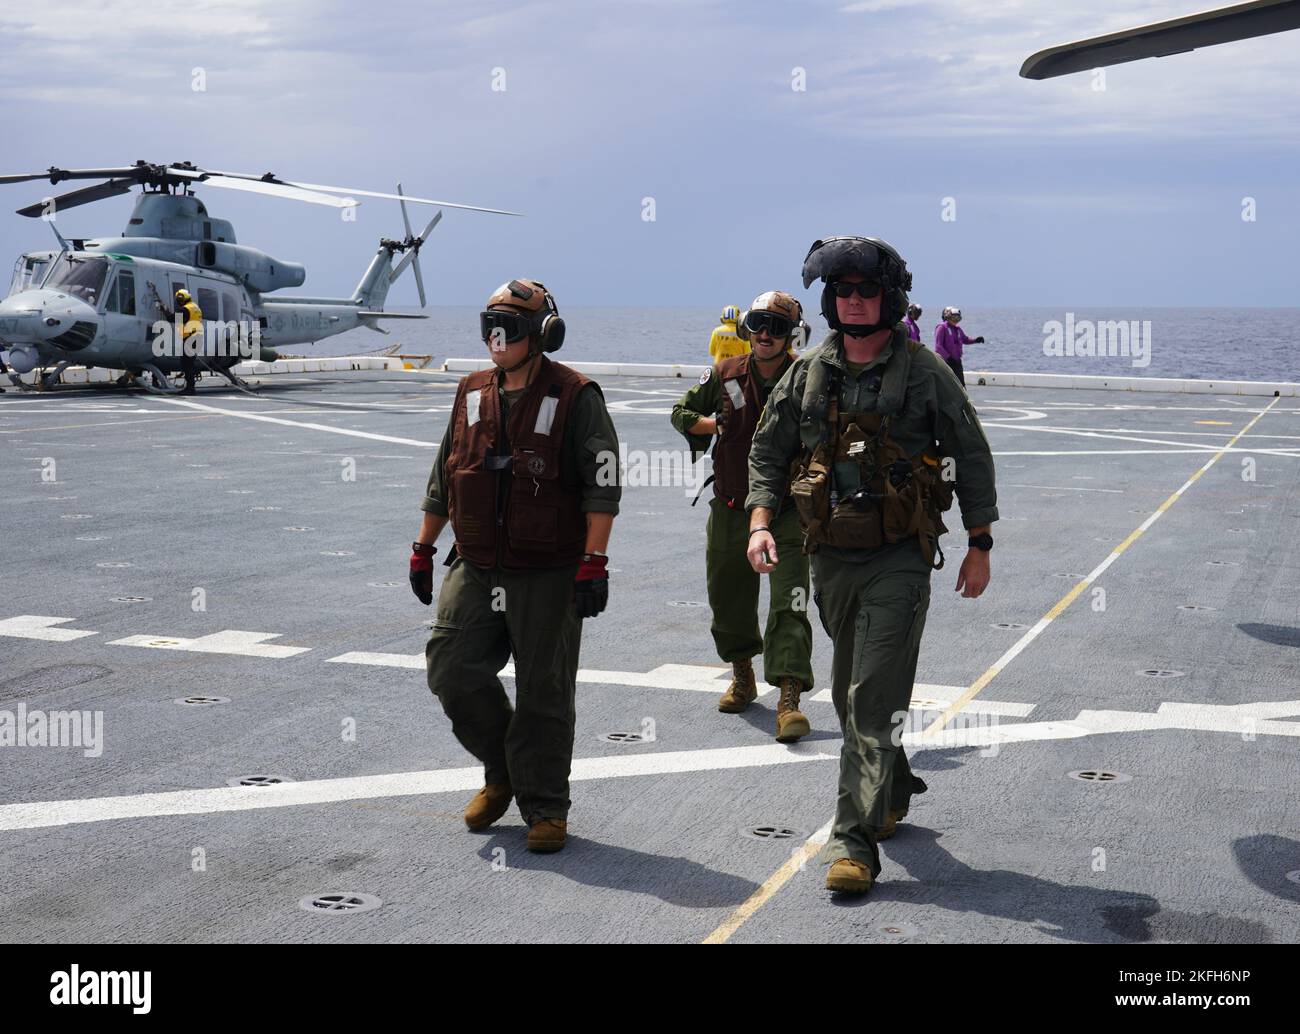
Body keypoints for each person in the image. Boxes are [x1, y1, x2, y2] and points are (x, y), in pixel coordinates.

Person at [745, 236, 999, 896]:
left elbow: (969, 451)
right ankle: (891, 787)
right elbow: (768, 452)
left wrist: (980, 541)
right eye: (845, 291)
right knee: (855, 689)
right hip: (830, 557)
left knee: (868, 697)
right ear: (831, 300)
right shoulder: (807, 373)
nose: (856, 302)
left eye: (868, 291)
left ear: (891, 300)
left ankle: (853, 842)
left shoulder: (922, 371)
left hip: (899, 559)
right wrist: (761, 522)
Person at [411, 278, 621, 854]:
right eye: (491, 325)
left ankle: (546, 806)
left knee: (543, 693)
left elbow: (603, 486)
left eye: (512, 326)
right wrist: (424, 547)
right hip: (476, 563)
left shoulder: (577, 395)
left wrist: (593, 562)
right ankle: (503, 770)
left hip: (549, 569)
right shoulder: (471, 391)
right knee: (450, 669)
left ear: (543, 332)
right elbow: (444, 475)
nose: (498, 337)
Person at [670, 291, 814, 741]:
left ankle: (789, 699)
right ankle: (743, 675)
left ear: (791, 332)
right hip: (731, 506)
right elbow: (681, 413)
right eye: (758, 324)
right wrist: (716, 425)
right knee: (729, 597)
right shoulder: (726, 374)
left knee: (790, 600)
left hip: (789, 513)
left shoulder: (808, 377)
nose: (765, 334)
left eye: (775, 325)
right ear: (747, 328)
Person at [933, 306, 983, 386]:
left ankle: (963, 398)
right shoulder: (941, 328)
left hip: (957, 362)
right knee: (948, 384)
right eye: (953, 317)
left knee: (961, 384)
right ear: (947, 316)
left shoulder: (957, 329)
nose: (955, 320)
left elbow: (965, 339)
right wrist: (948, 358)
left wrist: (976, 340)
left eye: (957, 318)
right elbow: (938, 347)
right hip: (947, 362)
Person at [174, 288, 203, 395]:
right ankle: (190, 386)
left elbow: (172, 318)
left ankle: (190, 388)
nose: (178, 302)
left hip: (190, 339)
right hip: (197, 337)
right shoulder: (195, 307)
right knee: (189, 363)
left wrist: (164, 310)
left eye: (179, 299)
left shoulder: (185, 309)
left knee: (186, 364)